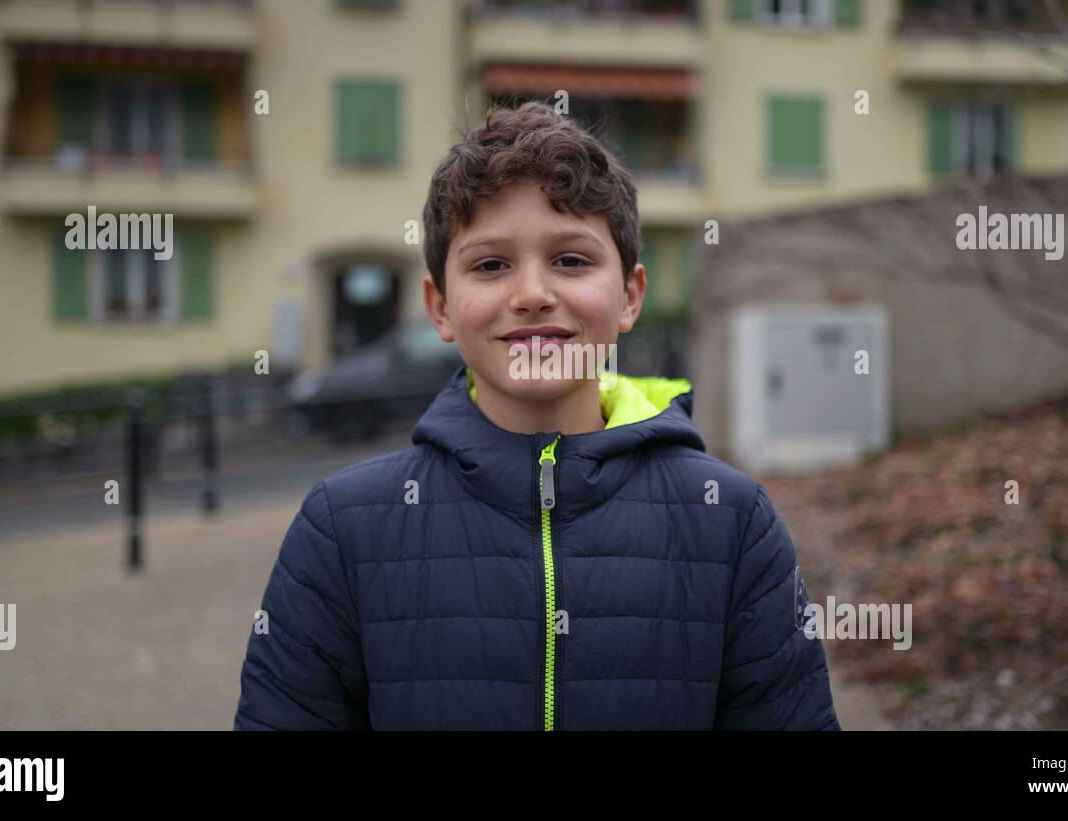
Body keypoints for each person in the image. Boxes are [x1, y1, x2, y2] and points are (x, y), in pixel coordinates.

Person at [233, 101, 840, 731]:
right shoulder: (342, 530)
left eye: (571, 260)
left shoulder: (732, 522)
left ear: (630, 296)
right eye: (491, 265)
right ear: (440, 307)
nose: (531, 295)